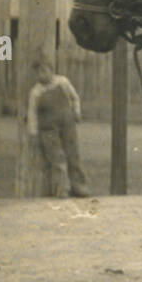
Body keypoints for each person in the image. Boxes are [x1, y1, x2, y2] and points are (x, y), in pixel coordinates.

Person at [26, 58, 90, 198]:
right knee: (57, 158)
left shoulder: (62, 82)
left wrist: (76, 112)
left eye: (44, 71)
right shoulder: (36, 92)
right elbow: (32, 115)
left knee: (73, 155)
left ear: (51, 70)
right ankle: (62, 189)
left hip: (67, 124)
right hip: (49, 129)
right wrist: (33, 133)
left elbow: (74, 98)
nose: (42, 75)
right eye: (38, 72)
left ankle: (79, 187)